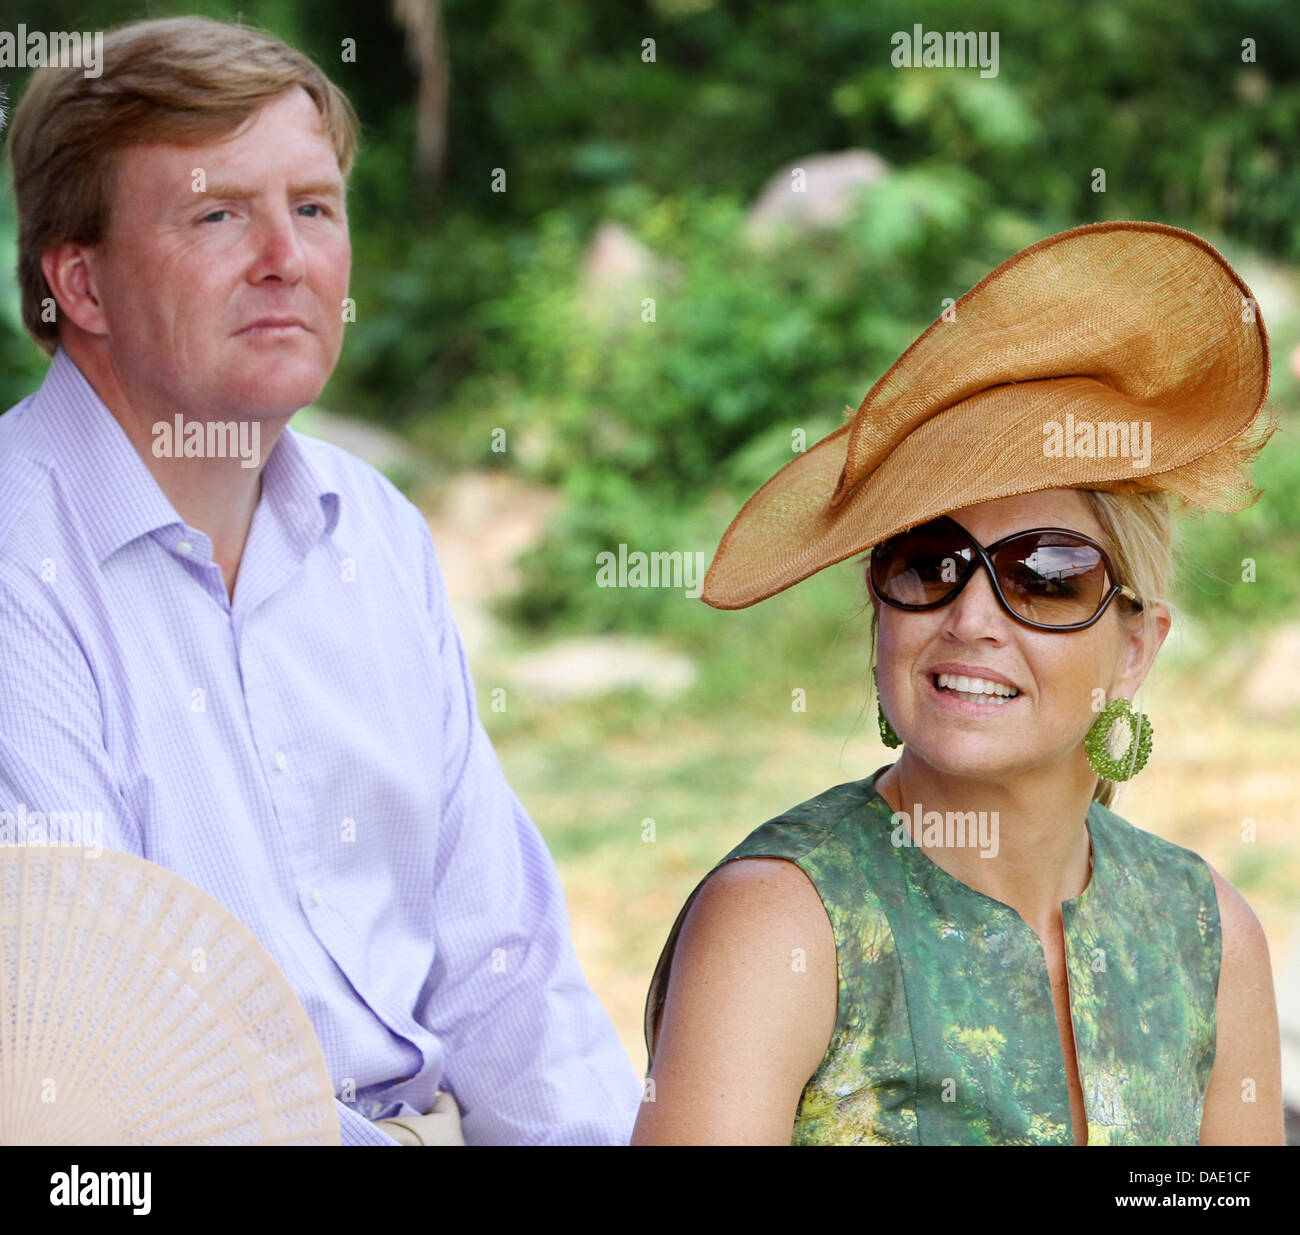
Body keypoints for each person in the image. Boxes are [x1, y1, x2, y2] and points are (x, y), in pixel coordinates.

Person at [0, 16, 641, 1145]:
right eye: (216, 213)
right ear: (82, 283)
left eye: (312, 206)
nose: (285, 259)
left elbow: (503, 966)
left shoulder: (375, 532)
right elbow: (101, 1072)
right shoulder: (17, 556)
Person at [633, 221, 1286, 1146]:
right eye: (930, 561)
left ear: (1136, 647)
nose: (971, 615)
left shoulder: (1207, 934)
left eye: (1046, 573)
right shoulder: (785, 922)